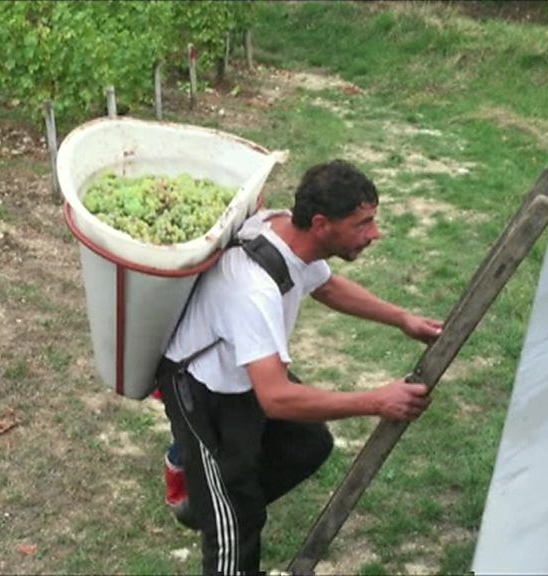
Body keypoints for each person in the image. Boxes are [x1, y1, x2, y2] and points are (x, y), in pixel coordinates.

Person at [155, 159, 441, 575]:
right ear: (322, 224)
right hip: (204, 393)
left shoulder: (288, 231)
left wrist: (401, 318)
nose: (374, 233)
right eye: (363, 223)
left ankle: (213, 497)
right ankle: (213, 496)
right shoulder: (252, 289)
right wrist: (377, 400)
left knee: (307, 445)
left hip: (247, 374)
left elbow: (322, 283)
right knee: (236, 526)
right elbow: (276, 398)